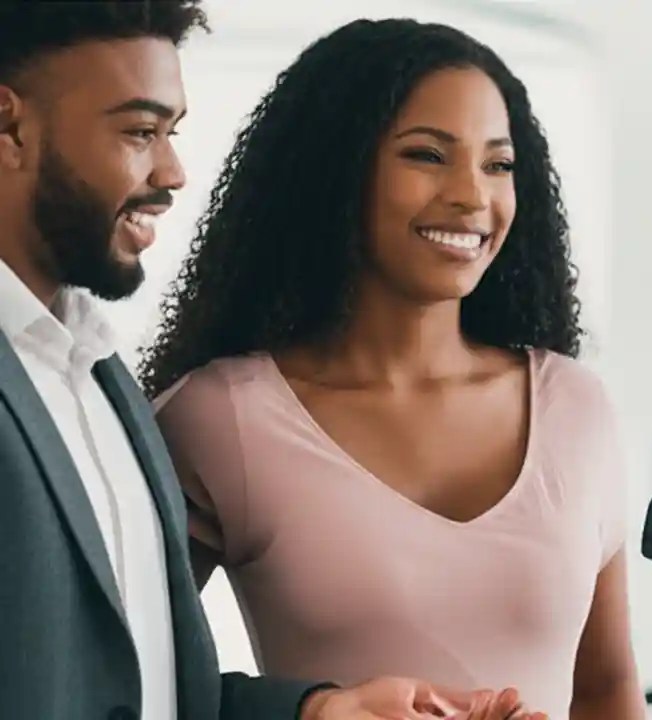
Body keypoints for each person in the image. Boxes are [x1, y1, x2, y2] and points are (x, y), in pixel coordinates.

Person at [0, 2, 540, 720]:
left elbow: (145, 692)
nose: (172, 171)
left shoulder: (100, 382)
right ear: (9, 127)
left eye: (172, 133)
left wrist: (318, 711)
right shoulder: (196, 411)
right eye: (138, 132)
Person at [138, 18, 643, 720]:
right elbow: (132, 682)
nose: (472, 195)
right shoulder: (219, 418)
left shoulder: (575, 407)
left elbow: (606, 690)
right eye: (427, 156)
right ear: (336, 171)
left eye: (499, 164)